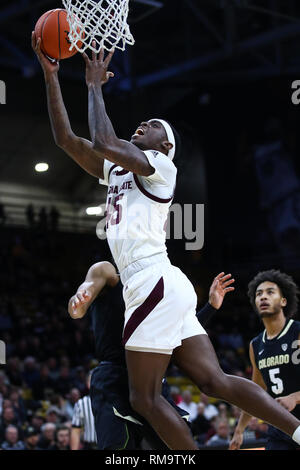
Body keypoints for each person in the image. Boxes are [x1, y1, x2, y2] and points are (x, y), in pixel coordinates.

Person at [32, 34, 300, 450]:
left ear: (166, 145)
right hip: (162, 283)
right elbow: (67, 140)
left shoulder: (160, 167)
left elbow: (104, 141)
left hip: (151, 282)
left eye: (153, 125)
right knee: (214, 381)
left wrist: (93, 85)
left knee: (144, 397)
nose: (144, 124)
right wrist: (51, 75)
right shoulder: (119, 171)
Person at [68, 262, 234, 449]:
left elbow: (181, 335)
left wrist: (211, 306)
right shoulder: (107, 272)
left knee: (175, 444)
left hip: (151, 379)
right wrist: (78, 302)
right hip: (115, 377)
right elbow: (84, 294)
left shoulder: (160, 286)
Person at [230, 269, 300, 450]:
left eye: (270, 292)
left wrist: (294, 397)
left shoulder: (297, 332)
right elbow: (256, 390)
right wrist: (239, 429)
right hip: (280, 428)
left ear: (283, 301)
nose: (263, 297)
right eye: (259, 294)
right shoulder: (256, 345)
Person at [71, 373, 97, 450]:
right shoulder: (81, 403)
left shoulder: (113, 401)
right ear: (88, 384)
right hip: (90, 446)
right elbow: (75, 430)